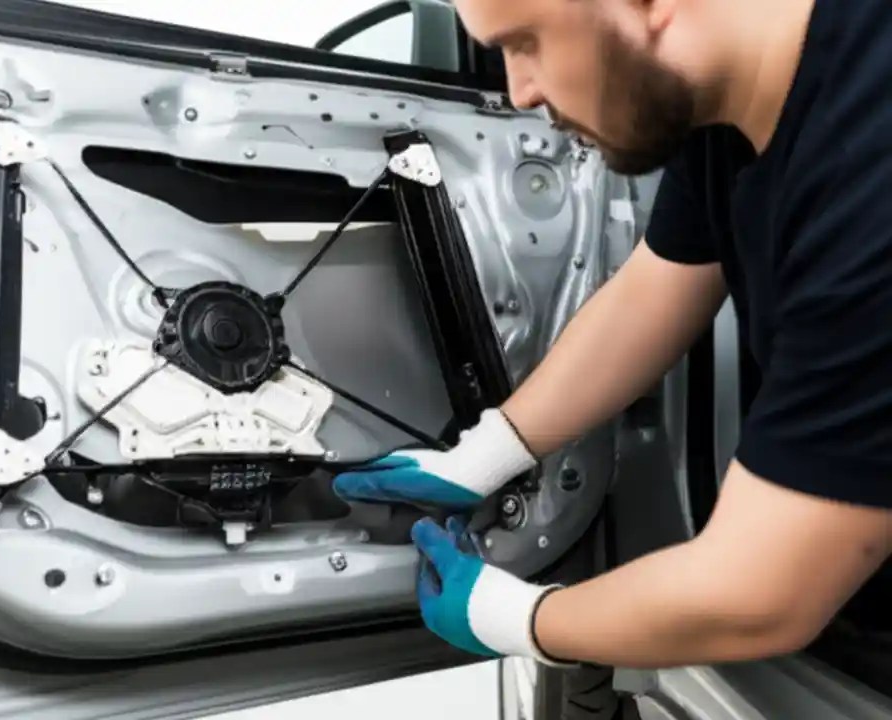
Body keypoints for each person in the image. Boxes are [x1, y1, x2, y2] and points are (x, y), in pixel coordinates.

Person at [333, 0, 892, 669]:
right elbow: (657, 288)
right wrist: (484, 456)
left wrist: (516, 619)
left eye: (525, 43)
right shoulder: (727, 105)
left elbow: (758, 596)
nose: (520, 92)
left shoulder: (871, 173)